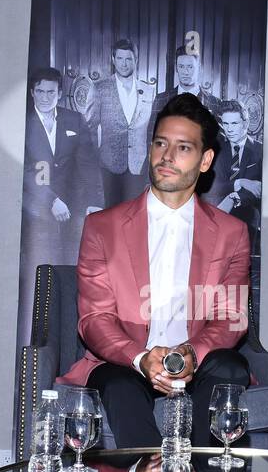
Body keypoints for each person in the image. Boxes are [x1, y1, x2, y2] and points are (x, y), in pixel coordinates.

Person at [60, 93, 252, 448]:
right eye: (160, 143)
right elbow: (94, 318)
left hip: (199, 360)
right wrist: (140, 357)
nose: (167, 156)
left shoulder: (232, 233)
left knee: (230, 368)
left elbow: (230, 316)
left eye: (183, 148)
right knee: (117, 386)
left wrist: (192, 353)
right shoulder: (103, 227)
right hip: (125, 360)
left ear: (206, 159)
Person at [20, 66, 102, 336]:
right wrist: (51, 200)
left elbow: (89, 164)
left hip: (73, 204)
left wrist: (94, 202)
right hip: (36, 205)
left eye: (51, 92)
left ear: (59, 93)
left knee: (73, 265)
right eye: (40, 91)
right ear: (32, 92)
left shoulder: (74, 121)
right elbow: (24, 170)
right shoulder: (21, 121)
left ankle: (69, 329)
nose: (45, 97)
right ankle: (38, 332)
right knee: (43, 265)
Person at [84, 39, 154, 209]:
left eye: (128, 59)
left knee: (135, 217)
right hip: (109, 166)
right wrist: (93, 163)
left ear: (136, 61)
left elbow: (152, 132)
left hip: (140, 167)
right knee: (110, 216)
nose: (124, 64)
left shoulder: (148, 91)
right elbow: (89, 129)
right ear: (113, 59)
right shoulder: (99, 88)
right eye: (120, 58)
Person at [153, 49, 220, 121]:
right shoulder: (160, 99)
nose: (185, 72)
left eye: (190, 67)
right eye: (181, 66)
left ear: (199, 68)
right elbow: (152, 131)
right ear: (176, 68)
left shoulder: (214, 102)